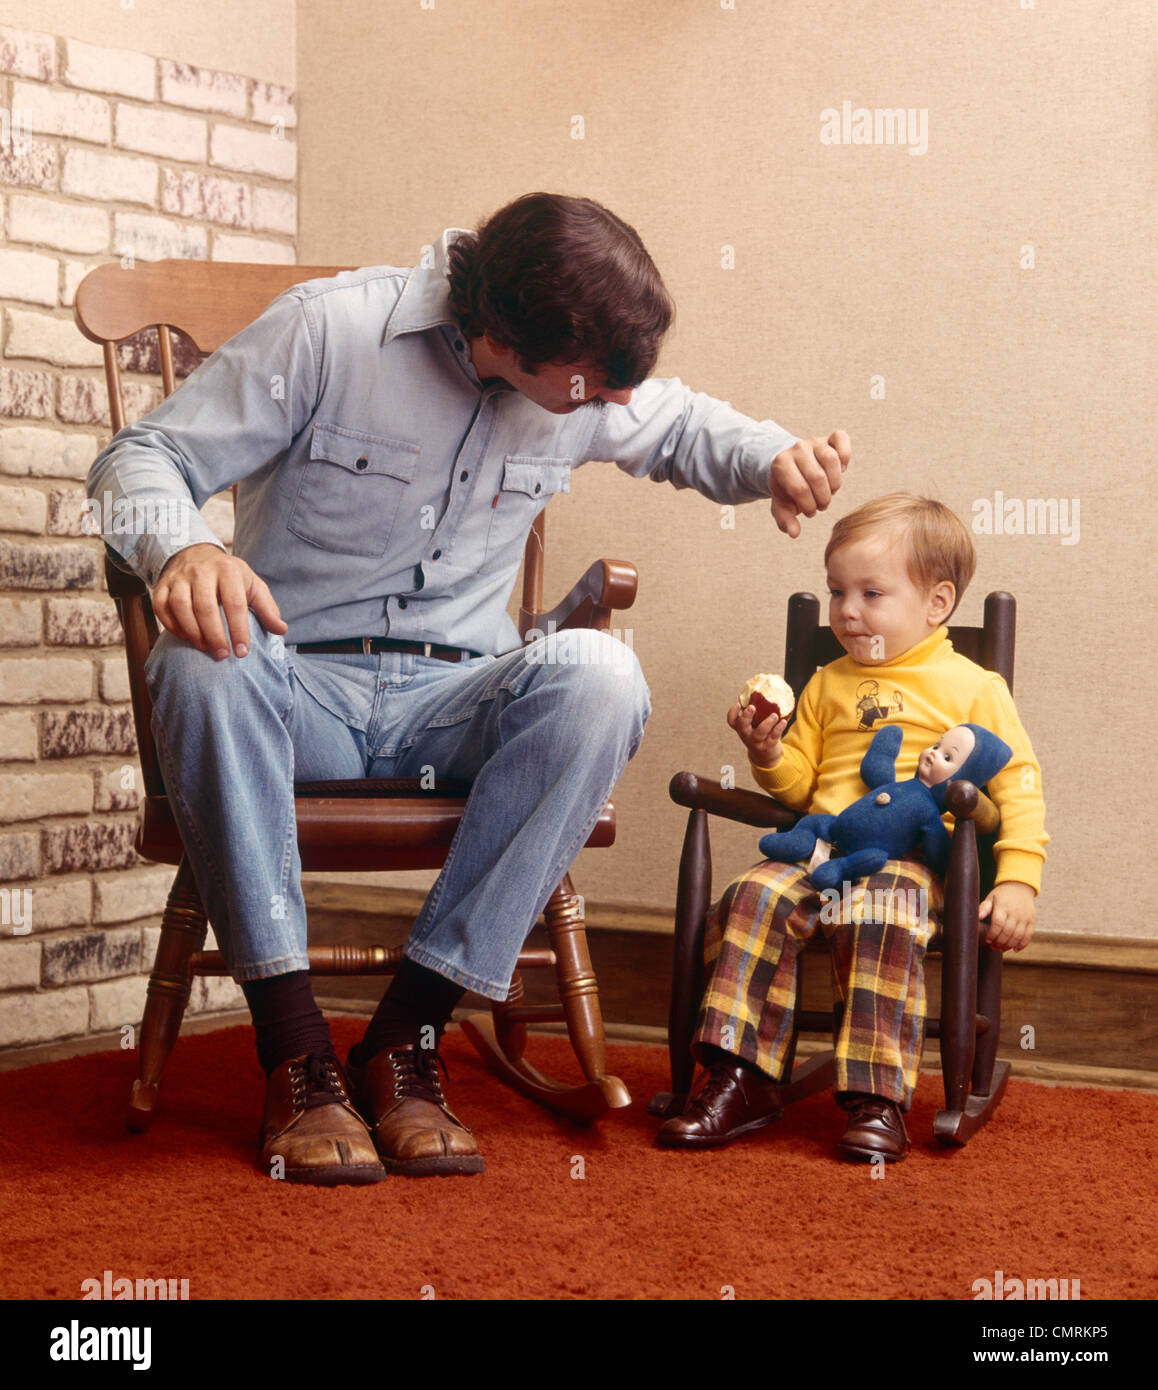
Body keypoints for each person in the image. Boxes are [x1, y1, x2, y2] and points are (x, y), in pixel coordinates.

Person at [86, 191, 852, 1185]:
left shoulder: (584, 386)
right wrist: (184, 547)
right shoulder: (329, 331)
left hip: (455, 704)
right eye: (592, 388)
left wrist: (772, 459)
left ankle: (405, 1036)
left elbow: (678, 425)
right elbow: (142, 454)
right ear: (500, 336)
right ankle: (297, 1052)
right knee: (197, 657)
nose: (614, 405)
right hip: (296, 689)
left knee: (600, 673)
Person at [655, 493, 1048, 1161]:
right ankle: (739, 1075)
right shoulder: (826, 682)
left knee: (883, 910)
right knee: (754, 895)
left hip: (911, 861)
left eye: (871, 592)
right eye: (837, 590)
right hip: (823, 846)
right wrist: (769, 752)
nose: (846, 609)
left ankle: (876, 1096)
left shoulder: (972, 686)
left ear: (936, 604)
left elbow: (1020, 787)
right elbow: (801, 784)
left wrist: (1019, 882)